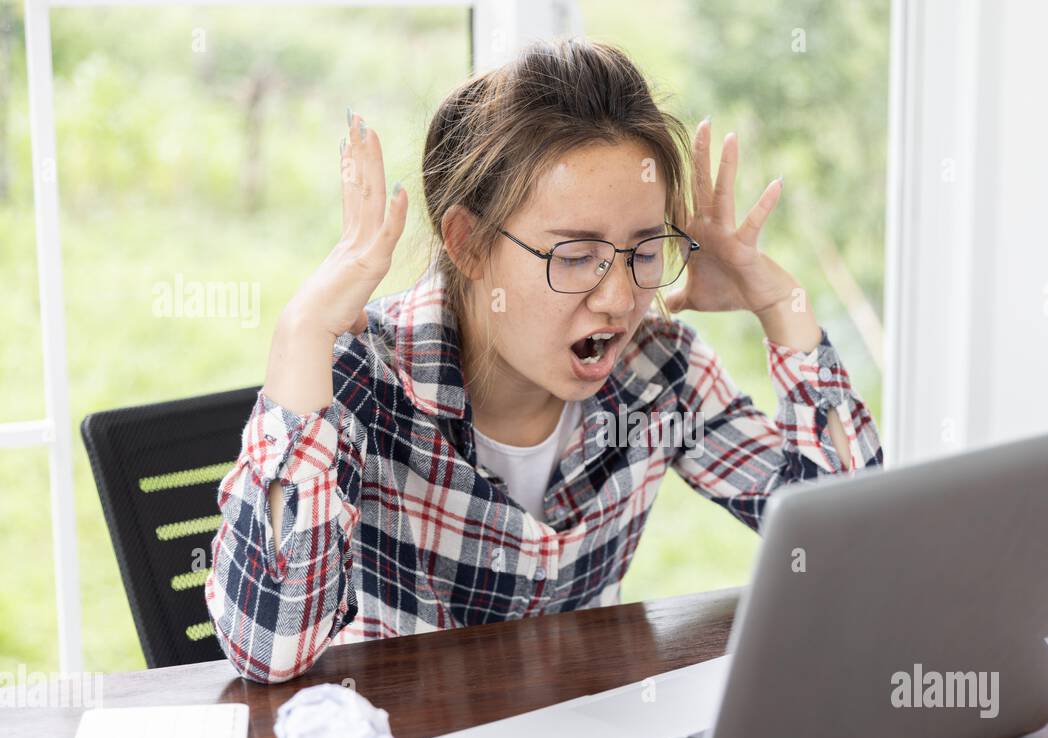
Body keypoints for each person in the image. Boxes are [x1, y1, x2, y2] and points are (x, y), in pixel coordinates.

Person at [204, 37, 884, 684]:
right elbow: (269, 650)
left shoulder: (659, 374)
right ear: (468, 244)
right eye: (576, 254)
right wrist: (301, 333)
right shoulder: (363, 379)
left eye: (645, 251)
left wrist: (783, 305)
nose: (620, 298)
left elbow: (853, 552)